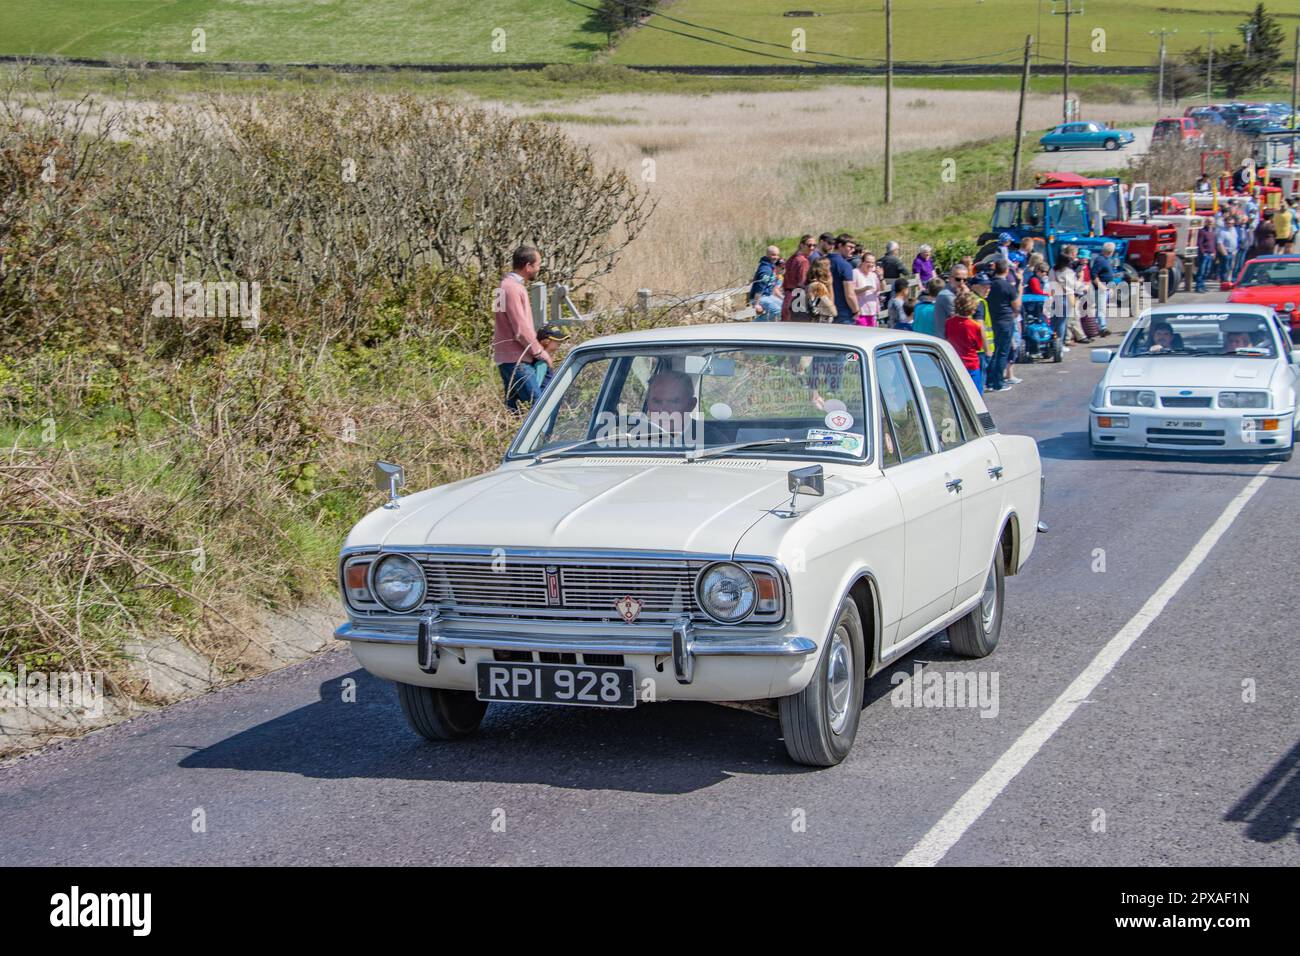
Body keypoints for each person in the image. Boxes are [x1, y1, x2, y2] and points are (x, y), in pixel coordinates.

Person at [493, 245, 550, 411]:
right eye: (538, 264)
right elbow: (521, 330)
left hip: (505, 359)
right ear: (528, 266)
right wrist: (539, 352)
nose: (539, 268)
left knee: (514, 412)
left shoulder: (501, 287)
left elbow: (501, 323)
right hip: (517, 360)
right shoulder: (513, 288)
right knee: (539, 410)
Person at [984, 260, 1020, 392]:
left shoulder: (989, 284)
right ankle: (998, 383)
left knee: (993, 352)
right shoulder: (1008, 286)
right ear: (1006, 271)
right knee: (1003, 352)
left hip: (991, 320)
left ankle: (989, 381)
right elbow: (1016, 305)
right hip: (1005, 320)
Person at [946, 290, 986, 393]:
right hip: (971, 363)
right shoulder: (975, 325)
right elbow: (978, 346)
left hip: (955, 360)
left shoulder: (949, 322)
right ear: (972, 309)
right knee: (976, 392)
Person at [644, 370, 698, 442]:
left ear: (691, 405)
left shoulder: (712, 443)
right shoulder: (637, 436)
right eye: (657, 401)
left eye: (673, 402)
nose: (663, 410)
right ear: (648, 402)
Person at [827, 234, 860, 324]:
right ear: (840, 245)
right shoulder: (845, 266)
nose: (853, 250)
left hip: (823, 311)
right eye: (850, 247)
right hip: (842, 313)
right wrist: (856, 310)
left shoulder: (821, 261)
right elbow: (849, 294)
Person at [782, 234, 813, 320]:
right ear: (801, 245)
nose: (812, 248)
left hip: (787, 297)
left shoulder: (792, 258)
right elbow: (801, 283)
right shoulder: (803, 261)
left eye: (814, 245)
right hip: (797, 299)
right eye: (809, 245)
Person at [933, 264, 968, 339]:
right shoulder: (947, 295)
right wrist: (967, 296)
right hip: (947, 341)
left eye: (965, 280)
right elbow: (963, 319)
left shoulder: (956, 293)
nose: (962, 283)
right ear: (950, 278)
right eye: (958, 279)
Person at [1089, 242, 1116, 336]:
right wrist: (1101, 286)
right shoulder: (1100, 260)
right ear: (1111, 251)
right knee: (1101, 308)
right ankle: (1102, 328)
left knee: (1101, 308)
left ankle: (1098, 327)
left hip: (1105, 287)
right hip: (1101, 288)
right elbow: (1093, 274)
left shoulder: (1104, 259)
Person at [531, 322, 567, 392]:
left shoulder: (545, 360)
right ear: (546, 341)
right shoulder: (542, 363)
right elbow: (536, 386)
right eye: (556, 340)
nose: (560, 342)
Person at [853, 252, 882, 326]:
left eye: (873, 262)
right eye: (868, 262)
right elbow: (851, 291)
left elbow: (882, 288)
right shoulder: (855, 273)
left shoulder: (873, 275)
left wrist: (881, 277)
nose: (871, 264)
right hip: (861, 312)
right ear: (862, 262)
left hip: (872, 312)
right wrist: (864, 289)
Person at [1194, 216, 1216, 293]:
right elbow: (1199, 243)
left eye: (1211, 222)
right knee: (1201, 271)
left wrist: (1214, 252)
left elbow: (1213, 243)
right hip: (1204, 254)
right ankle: (1198, 286)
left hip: (1211, 254)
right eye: (1209, 222)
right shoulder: (1202, 231)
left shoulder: (1213, 231)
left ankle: (1203, 286)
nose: (1210, 223)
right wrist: (1203, 252)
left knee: (1207, 271)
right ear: (1206, 222)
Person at [1216, 214, 1238, 282]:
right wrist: (1225, 254)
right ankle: (1224, 283)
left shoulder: (1234, 229)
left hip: (1233, 252)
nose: (1230, 225)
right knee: (1225, 268)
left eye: (1232, 223)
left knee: (1231, 268)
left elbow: (1235, 240)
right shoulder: (1222, 231)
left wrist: (1235, 251)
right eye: (1229, 223)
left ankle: (1231, 281)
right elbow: (1219, 243)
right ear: (1225, 223)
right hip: (1225, 252)